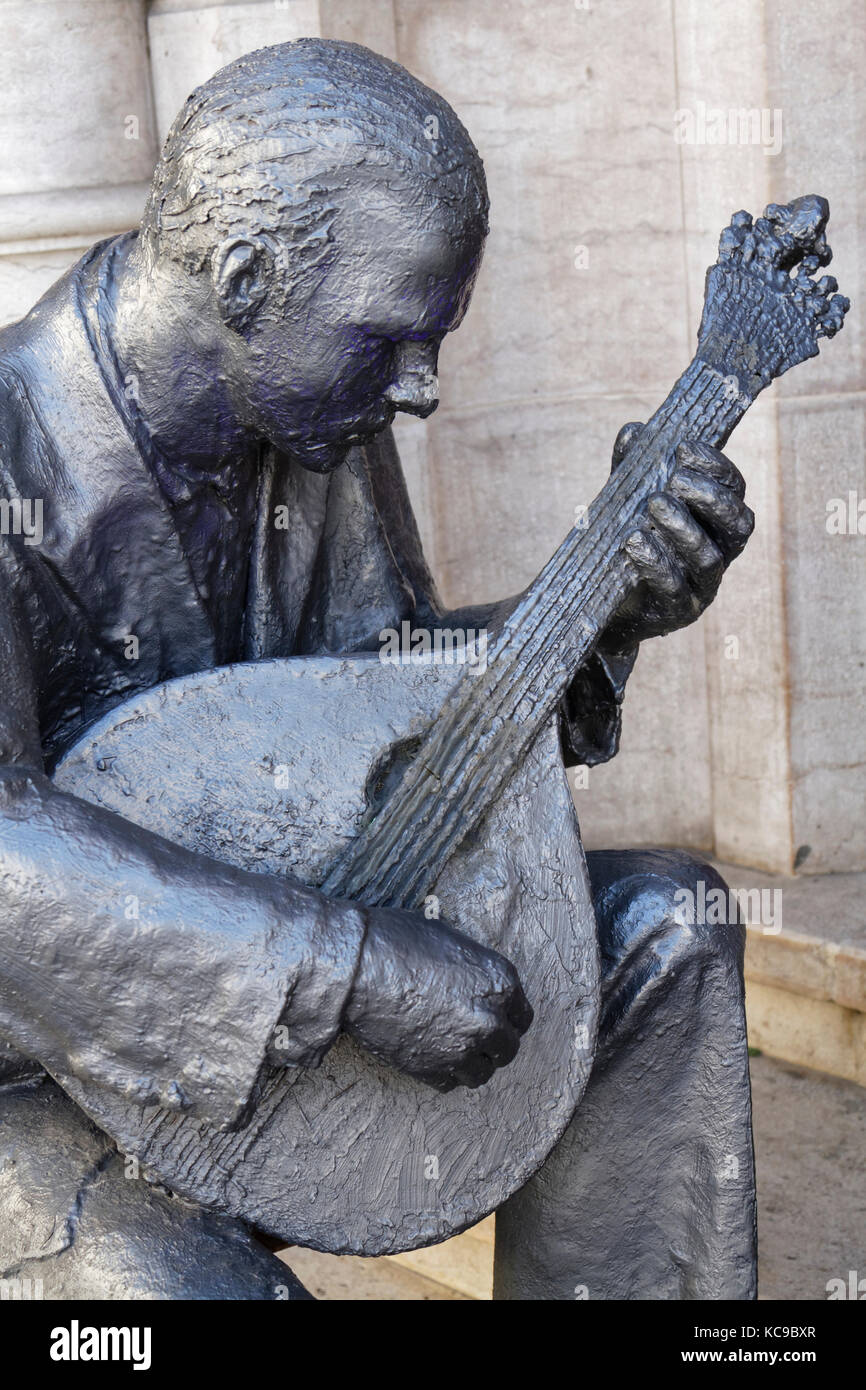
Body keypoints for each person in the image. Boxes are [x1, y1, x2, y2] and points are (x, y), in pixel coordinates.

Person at [0, 39, 755, 1300]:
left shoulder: (311, 411)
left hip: (306, 1003)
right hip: (42, 1076)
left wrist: (602, 610)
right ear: (243, 278)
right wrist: (343, 968)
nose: (420, 391)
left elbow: (388, 703)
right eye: (389, 342)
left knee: (666, 929)